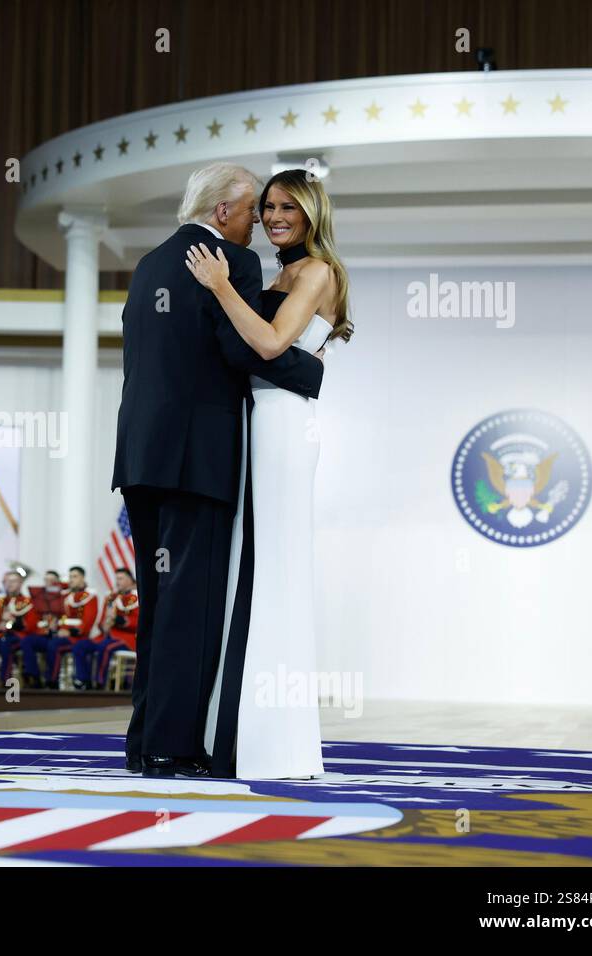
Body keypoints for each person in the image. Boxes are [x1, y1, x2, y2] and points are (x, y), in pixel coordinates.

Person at [111, 164, 325, 779]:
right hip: (197, 462)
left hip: (142, 459)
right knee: (193, 608)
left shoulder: (150, 263)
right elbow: (247, 350)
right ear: (225, 210)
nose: (260, 223)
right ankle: (173, 748)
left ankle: (142, 741)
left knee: (156, 604)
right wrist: (315, 373)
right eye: (255, 210)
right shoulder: (231, 261)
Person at [185, 168, 352, 780]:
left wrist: (222, 287)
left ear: (312, 214)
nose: (275, 217)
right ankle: (238, 736)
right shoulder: (280, 272)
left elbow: (273, 345)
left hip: (284, 428)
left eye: (289, 207)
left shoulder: (316, 273)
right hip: (260, 421)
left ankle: (274, 743)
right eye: (269, 207)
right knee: (247, 574)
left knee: (273, 573)